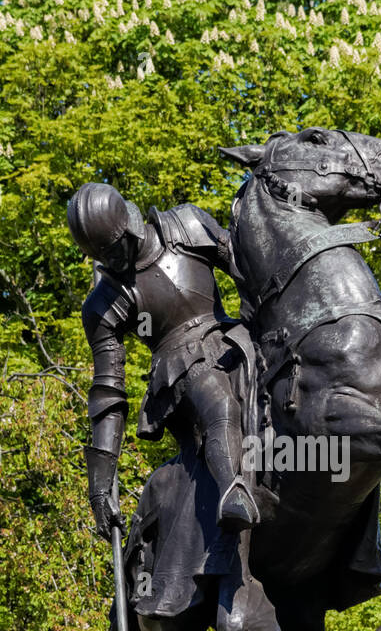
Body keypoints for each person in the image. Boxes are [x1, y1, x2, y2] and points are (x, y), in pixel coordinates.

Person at [68, 182, 259, 539]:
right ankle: (233, 491)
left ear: (130, 227)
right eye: (103, 256)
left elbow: (244, 266)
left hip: (231, 335)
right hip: (179, 366)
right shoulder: (103, 304)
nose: (111, 262)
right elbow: (108, 394)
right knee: (220, 404)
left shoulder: (187, 225)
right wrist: (99, 488)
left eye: (113, 250)